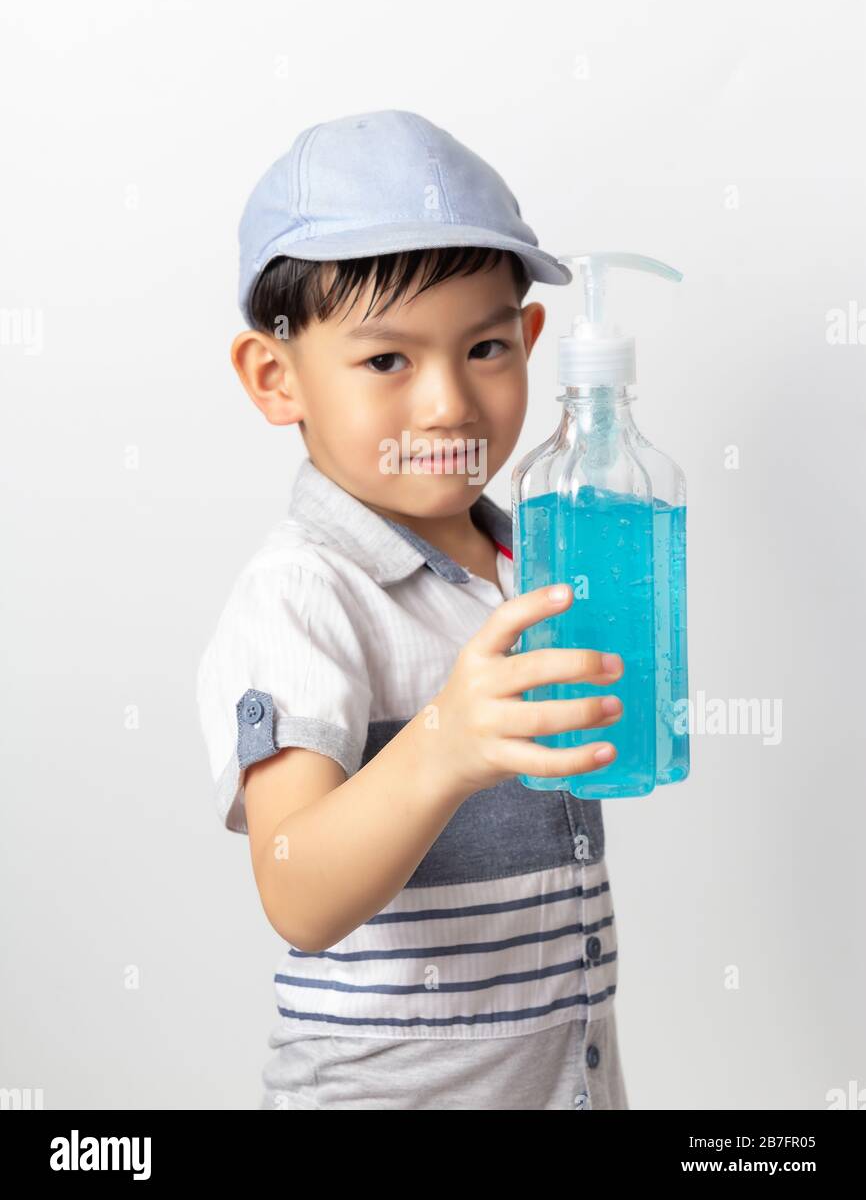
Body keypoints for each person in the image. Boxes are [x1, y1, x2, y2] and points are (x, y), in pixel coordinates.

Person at [196, 109, 629, 1109]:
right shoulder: (302, 595)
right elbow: (297, 890)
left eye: (482, 347)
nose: (445, 404)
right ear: (277, 376)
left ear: (528, 340)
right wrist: (441, 744)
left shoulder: (538, 556)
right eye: (386, 360)